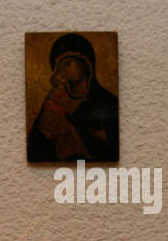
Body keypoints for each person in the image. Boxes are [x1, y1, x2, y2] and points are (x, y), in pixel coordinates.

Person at [27, 33, 119, 162]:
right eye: (59, 67)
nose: (63, 70)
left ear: (85, 62)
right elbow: (36, 148)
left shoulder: (107, 101)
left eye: (68, 63)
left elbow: (112, 148)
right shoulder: (55, 100)